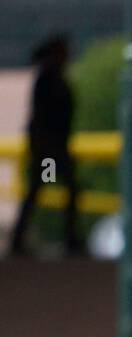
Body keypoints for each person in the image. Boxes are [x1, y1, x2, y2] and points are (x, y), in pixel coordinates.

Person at [9, 35, 82, 258]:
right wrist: (48, 150)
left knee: (44, 189)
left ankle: (20, 240)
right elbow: (44, 118)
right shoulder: (50, 79)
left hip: (50, 148)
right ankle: (66, 238)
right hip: (50, 150)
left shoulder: (50, 77)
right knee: (51, 188)